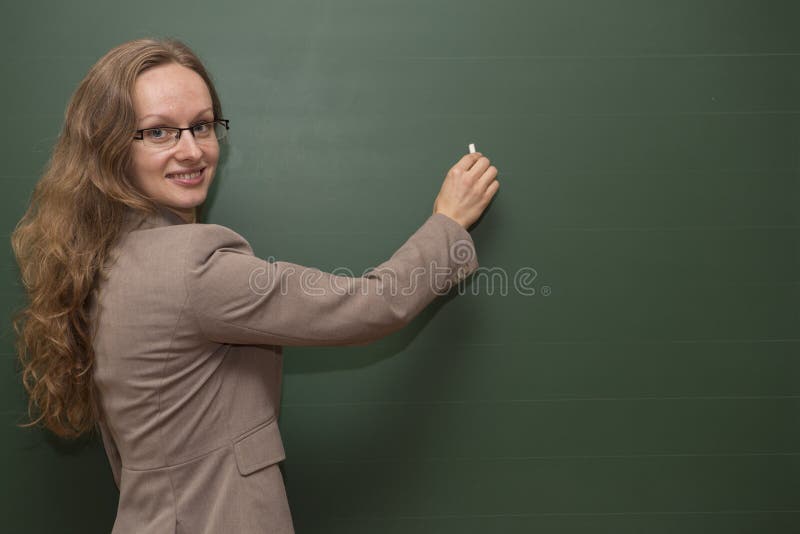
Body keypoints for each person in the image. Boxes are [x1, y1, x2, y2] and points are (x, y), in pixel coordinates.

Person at [11, 37, 499, 533]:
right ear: (111, 147)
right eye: (159, 132)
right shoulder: (194, 267)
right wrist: (449, 224)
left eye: (202, 126)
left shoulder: (99, 256)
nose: (192, 150)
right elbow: (371, 304)